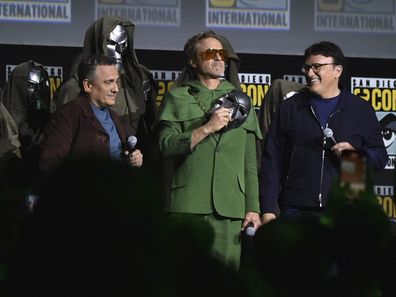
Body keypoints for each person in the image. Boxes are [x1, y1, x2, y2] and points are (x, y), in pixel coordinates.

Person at [158, 30, 262, 270]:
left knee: (225, 283)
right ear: (193, 61)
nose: (218, 59)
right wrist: (206, 128)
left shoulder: (242, 102)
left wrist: (253, 207)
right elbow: (165, 146)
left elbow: (250, 165)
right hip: (187, 205)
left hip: (230, 210)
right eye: (209, 53)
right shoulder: (178, 97)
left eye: (221, 54)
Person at [259, 41, 387, 223]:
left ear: (338, 71)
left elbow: (380, 157)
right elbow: (271, 160)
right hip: (296, 209)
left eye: (317, 67)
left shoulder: (360, 110)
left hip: (345, 209)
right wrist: (268, 210)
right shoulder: (290, 108)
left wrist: (355, 156)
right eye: (307, 67)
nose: (310, 73)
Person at [53, 16, 158, 168]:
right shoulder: (74, 89)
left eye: (123, 44)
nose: (119, 50)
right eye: (112, 43)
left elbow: (152, 129)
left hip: (130, 170)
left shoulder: (140, 79)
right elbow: (57, 148)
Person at [39, 55, 143, 174]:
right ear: (88, 85)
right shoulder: (67, 116)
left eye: (116, 82)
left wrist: (132, 160)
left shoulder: (114, 117)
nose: (116, 89)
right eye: (109, 82)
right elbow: (50, 164)